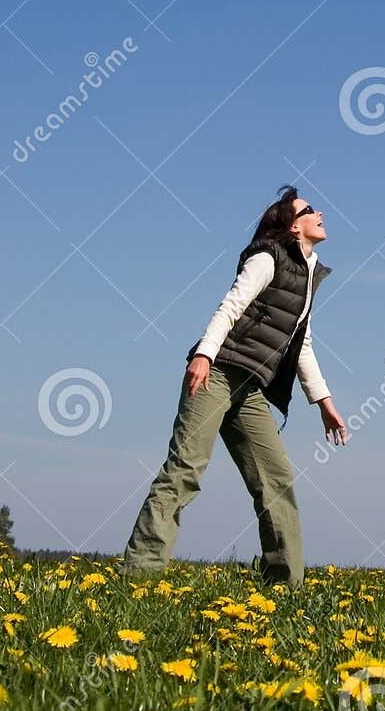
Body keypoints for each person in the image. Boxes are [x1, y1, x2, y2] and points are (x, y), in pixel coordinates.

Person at [123, 187, 348, 585]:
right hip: (217, 373)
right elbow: (230, 305)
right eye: (310, 209)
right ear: (294, 227)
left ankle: (285, 586)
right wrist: (204, 355)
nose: (320, 212)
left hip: (249, 390)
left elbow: (302, 341)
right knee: (185, 470)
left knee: (275, 479)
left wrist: (324, 402)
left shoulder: (311, 273)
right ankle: (140, 577)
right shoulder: (267, 257)